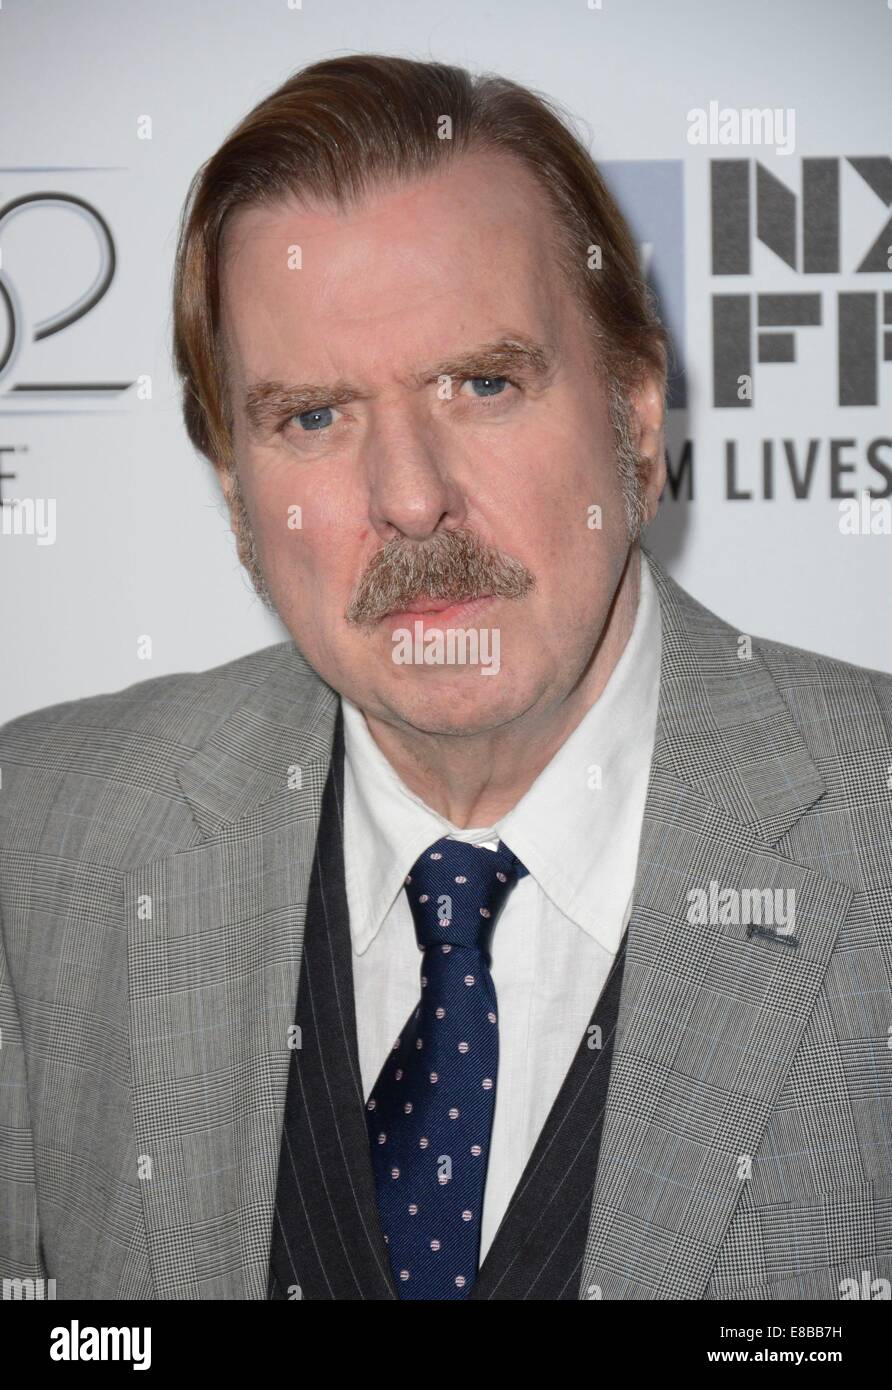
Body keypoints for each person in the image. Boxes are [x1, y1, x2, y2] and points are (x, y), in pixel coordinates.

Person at [1, 54, 890, 1302]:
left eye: (481, 385)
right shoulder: (38, 835)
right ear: (233, 490)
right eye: (313, 416)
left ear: (636, 415)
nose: (409, 498)